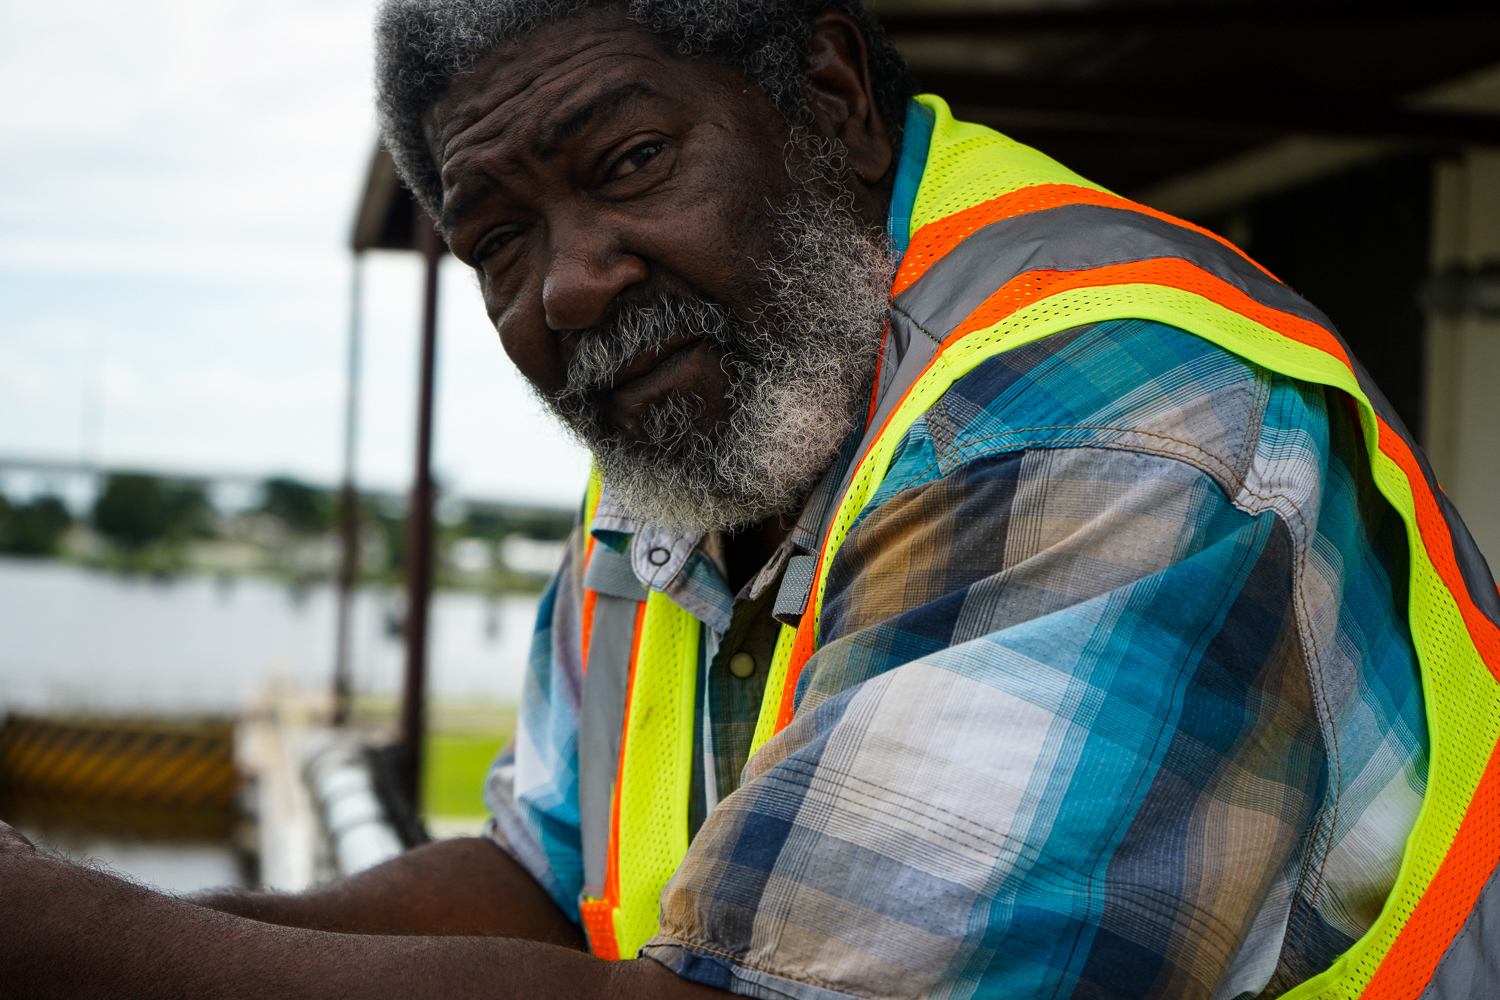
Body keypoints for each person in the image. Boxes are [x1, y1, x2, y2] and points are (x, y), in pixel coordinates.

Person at [4, 1, 1499, 998]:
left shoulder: (1105, 424)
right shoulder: (707, 433)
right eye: (500, 241)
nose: (573, 281)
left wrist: (66, 932)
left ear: (831, 100)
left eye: (633, 161)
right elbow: (538, 882)